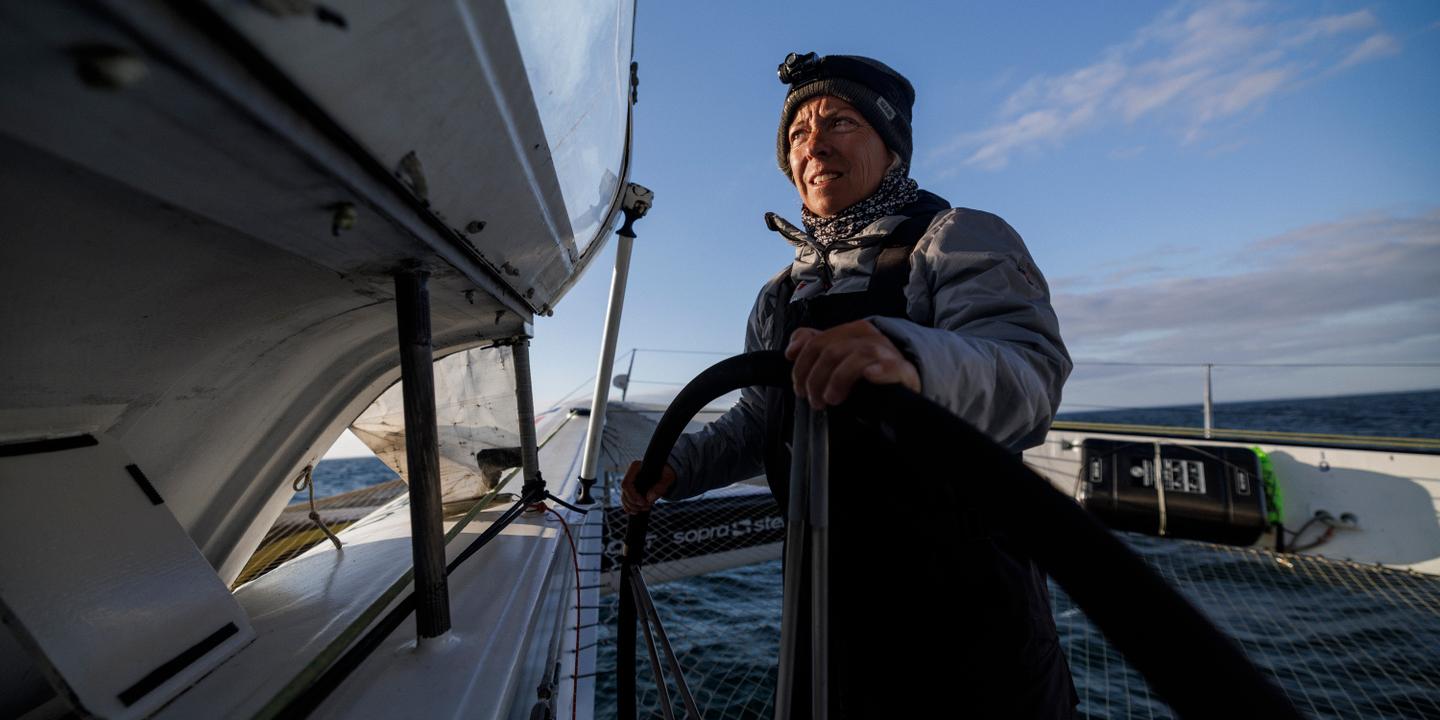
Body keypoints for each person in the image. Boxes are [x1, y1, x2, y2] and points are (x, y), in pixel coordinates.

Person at [622, 52, 1076, 718]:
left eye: (839, 122)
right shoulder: (778, 297)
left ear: (892, 150)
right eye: (798, 135)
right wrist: (677, 468)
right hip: (826, 614)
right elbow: (759, 421)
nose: (815, 144)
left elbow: (1028, 371)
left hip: (969, 619)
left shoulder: (955, 239)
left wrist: (910, 356)